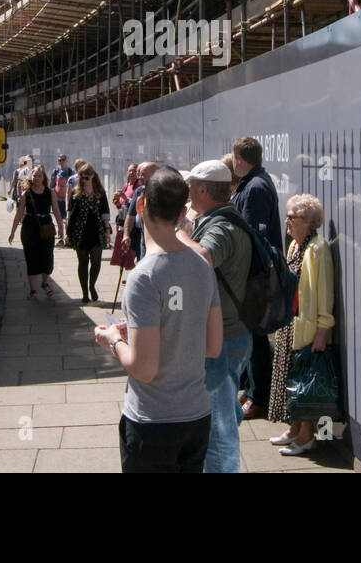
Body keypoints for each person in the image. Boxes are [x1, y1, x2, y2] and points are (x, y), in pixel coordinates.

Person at [94, 166, 221, 473]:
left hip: (153, 421)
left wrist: (114, 340)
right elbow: (213, 346)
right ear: (182, 214)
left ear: (141, 205)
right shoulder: (202, 267)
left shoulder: (144, 277)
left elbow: (144, 368)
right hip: (196, 418)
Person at [179, 159, 253, 473]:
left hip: (223, 338)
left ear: (205, 189)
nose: (188, 195)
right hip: (230, 333)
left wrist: (174, 232)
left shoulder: (222, 225)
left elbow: (204, 258)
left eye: (191, 188)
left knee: (219, 428)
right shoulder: (224, 217)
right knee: (223, 413)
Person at [272, 193, 334, 456]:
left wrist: (322, 329)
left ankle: (307, 435)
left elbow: (324, 291)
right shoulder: (295, 245)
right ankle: (294, 428)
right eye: (287, 216)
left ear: (308, 222)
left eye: (292, 217)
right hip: (291, 322)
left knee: (304, 379)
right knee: (290, 376)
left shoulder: (317, 248)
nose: (287, 221)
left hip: (307, 325)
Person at [231, 136, 282, 420]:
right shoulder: (253, 183)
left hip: (256, 276)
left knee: (257, 337)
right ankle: (252, 389)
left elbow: (253, 236)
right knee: (252, 335)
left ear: (239, 159)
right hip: (253, 274)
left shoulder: (256, 187)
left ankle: (258, 397)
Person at [8, 164, 62, 299]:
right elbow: (20, 213)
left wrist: (61, 227)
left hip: (46, 227)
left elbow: (56, 210)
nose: (37, 178)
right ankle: (33, 290)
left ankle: (44, 283)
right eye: (35, 176)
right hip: (30, 227)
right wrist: (13, 231)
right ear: (31, 177)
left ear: (44, 177)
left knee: (48, 258)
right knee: (31, 257)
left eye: (39, 176)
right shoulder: (27, 193)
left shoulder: (50, 192)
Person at [66, 164, 110, 303]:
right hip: (80, 231)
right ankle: (85, 292)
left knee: (96, 262)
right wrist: (68, 233)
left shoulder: (100, 192)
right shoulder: (76, 193)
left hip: (96, 230)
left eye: (86, 177)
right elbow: (71, 215)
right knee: (83, 262)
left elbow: (105, 212)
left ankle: (92, 286)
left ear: (92, 176)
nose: (84, 180)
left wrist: (107, 230)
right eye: (81, 177)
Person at [123, 161, 157, 261]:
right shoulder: (139, 191)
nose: (140, 177)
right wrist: (126, 235)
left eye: (143, 174)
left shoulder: (163, 191)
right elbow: (131, 215)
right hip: (144, 238)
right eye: (139, 174)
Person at [51, 154, 75, 244]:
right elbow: (52, 184)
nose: (61, 162)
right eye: (59, 160)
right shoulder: (56, 171)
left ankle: (67, 237)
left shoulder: (71, 171)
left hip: (67, 199)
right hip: (57, 198)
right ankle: (61, 236)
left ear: (66, 160)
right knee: (59, 218)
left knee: (67, 219)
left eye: (63, 160)